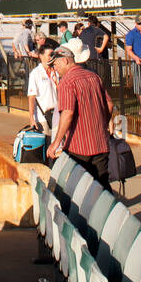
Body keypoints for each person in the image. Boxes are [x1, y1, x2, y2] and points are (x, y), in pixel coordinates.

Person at [46, 38, 114, 187]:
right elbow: (109, 104)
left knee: (79, 189)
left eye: (55, 64)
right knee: (102, 186)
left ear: (64, 61)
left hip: (79, 146)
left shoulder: (67, 82)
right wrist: (102, 124)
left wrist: (56, 143)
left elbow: (68, 113)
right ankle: (110, 210)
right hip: (100, 143)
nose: (54, 69)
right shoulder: (94, 77)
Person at [27, 39, 59, 138]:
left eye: (53, 55)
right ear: (41, 56)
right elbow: (31, 97)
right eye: (49, 54)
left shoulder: (57, 72)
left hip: (57, 115)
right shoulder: (35, 73)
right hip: (43, 117)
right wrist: (32, 118)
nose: (51, 57)